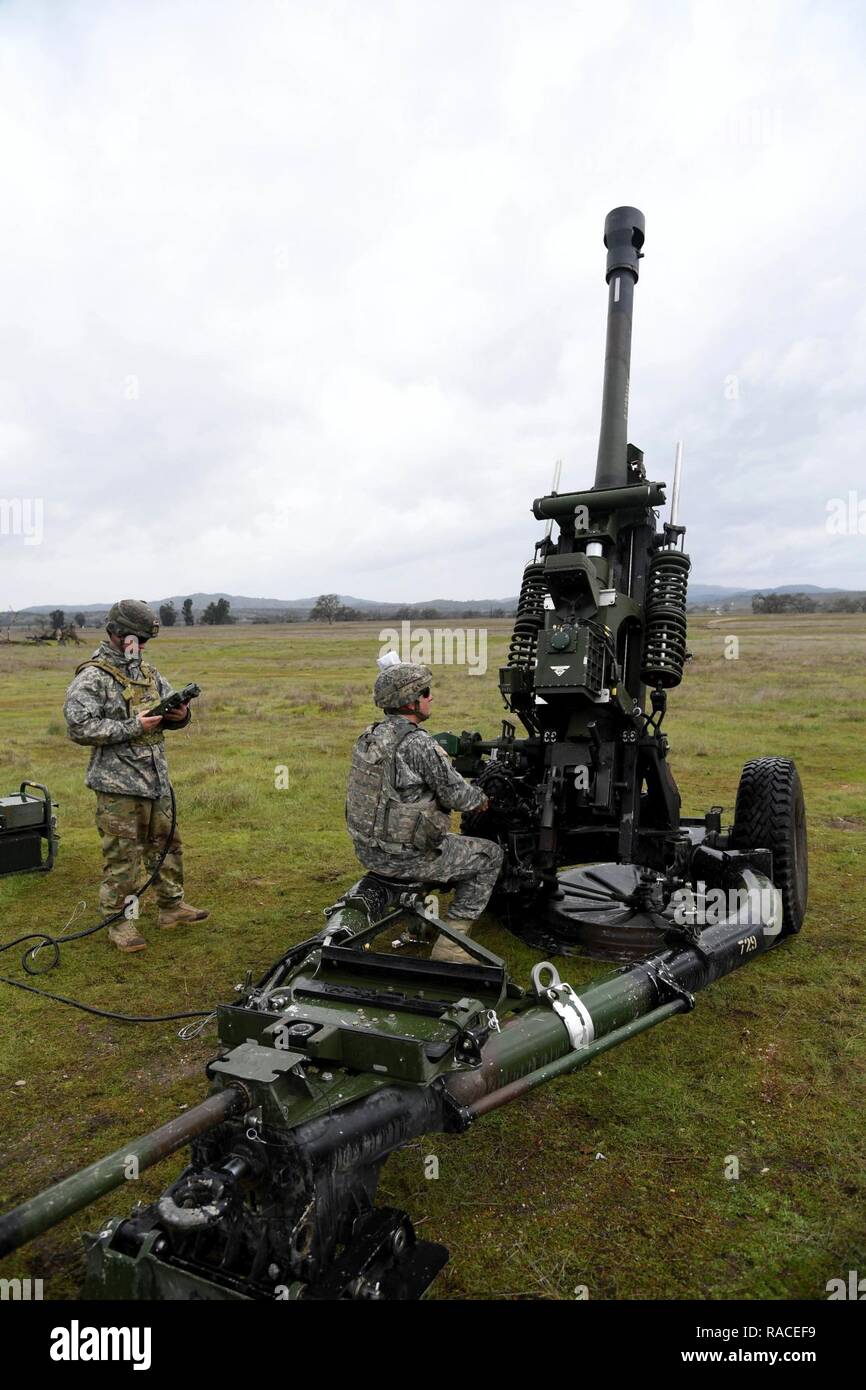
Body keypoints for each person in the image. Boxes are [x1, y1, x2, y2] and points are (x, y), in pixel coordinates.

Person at [63, 598, 208, 953]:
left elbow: (171, 710)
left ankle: (172, 908)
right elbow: (78, 727)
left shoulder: (148, 672)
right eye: (136, 639)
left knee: (167, 846)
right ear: (117, 633)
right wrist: (132, 727)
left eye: (145, 641)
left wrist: (180, 716)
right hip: (117, 788)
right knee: (123, 858)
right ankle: (120, 923)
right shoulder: (93, 676)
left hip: (155, 780)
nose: (141, 647)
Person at [346, 661, 503, 963]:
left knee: (436, 839)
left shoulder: (369, 735)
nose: (431, 697)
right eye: (426, 692)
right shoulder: (418, 743)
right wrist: (484, 798)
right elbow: (457, 795)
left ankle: (421, 923)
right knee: (489, 856)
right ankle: (451, 948)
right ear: (410, 701)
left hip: (369, 851)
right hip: (406, 859)